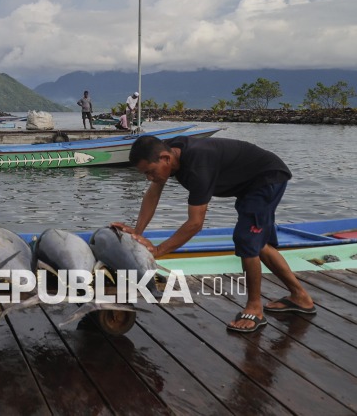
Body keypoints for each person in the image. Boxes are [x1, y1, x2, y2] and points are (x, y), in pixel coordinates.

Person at [113, 135, 315, 333]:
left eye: (150, 172)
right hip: (248, 184)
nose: (150, 178)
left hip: (266, 179)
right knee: (258, 244)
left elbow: (195, 224)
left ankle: (255, 308)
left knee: (246, 240)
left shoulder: (197, 167)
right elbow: (153, 192)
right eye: (145, 174)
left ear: (165, 158)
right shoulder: (171, 152)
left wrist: (157, 250)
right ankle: (300, 297)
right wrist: (137, 233)